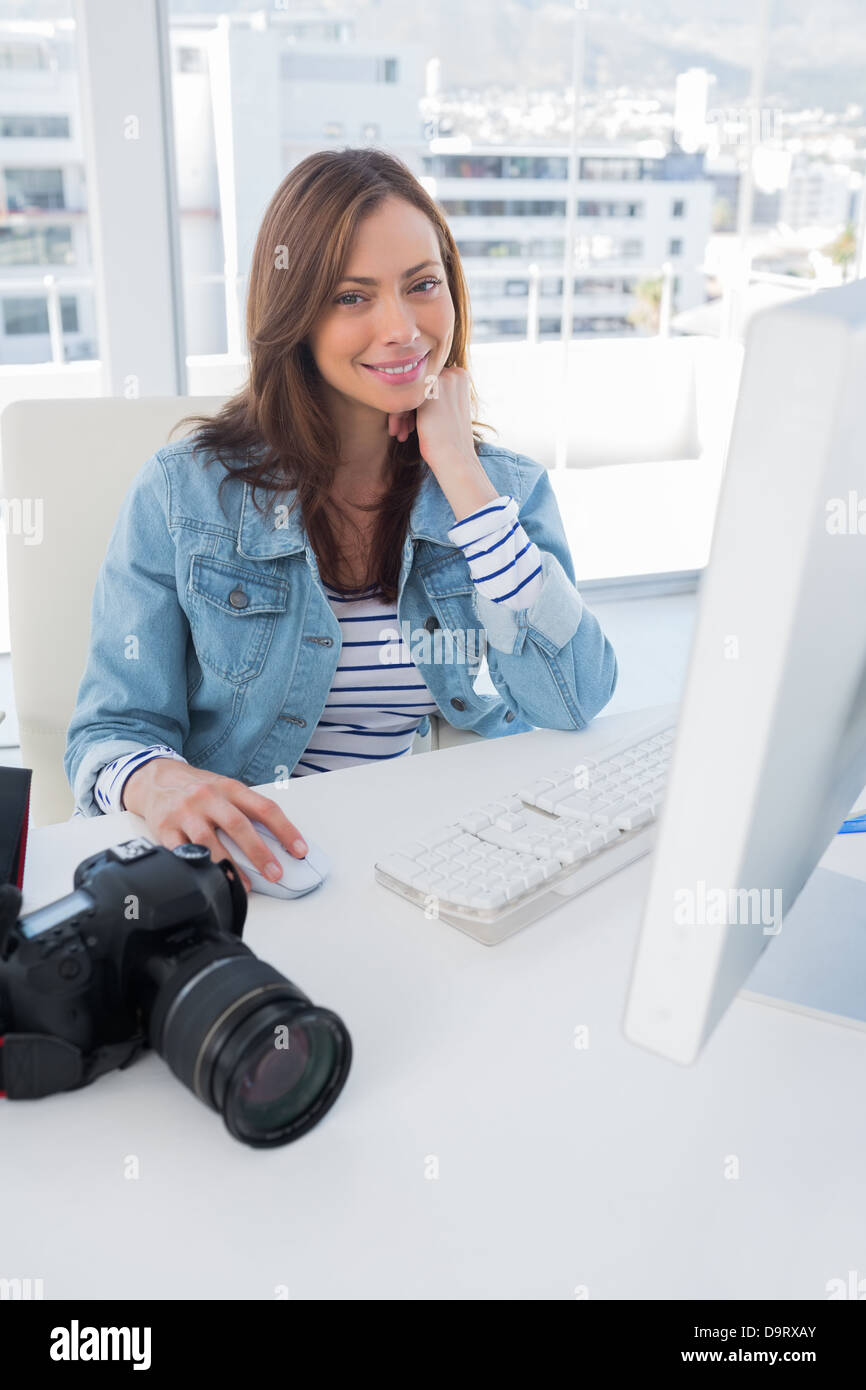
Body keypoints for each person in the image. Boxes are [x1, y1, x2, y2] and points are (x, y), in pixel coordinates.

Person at [64, 148, 618, 893]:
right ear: (295, 315)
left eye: (422, 286)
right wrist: (157, 783)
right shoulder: (183, 491)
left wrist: (462, 479)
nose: (401, 328)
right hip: (247, 869)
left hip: (416, 859)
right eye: (353, 297)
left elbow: (573, 701)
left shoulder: (501, 491)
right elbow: (108, 735)